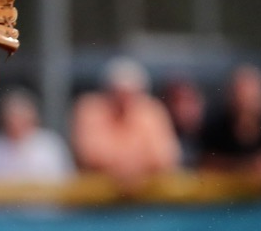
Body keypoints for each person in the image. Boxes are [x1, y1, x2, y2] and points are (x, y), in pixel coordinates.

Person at [70, 56, 180, 193]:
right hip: (97, 200)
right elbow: (89, 155)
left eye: (130, 93)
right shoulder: (90, 110)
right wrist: (136, 166)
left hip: (145, 198)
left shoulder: (151, 111)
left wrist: (123, 167)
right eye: (119, 93)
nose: (124, 100)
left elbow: (165, 158)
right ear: (107, 91)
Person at [198, 64, 261, 187]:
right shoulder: (215, 129)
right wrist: (245, 166)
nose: (244, 103)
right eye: (240, 96)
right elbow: (205, 164)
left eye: (250, 98)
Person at [0, 87, 73, 183]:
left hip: (41, 206)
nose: (16, 122)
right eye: (12, 117)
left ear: (33, 118)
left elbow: (66, 184)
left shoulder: (50, 145)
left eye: (22, 117)